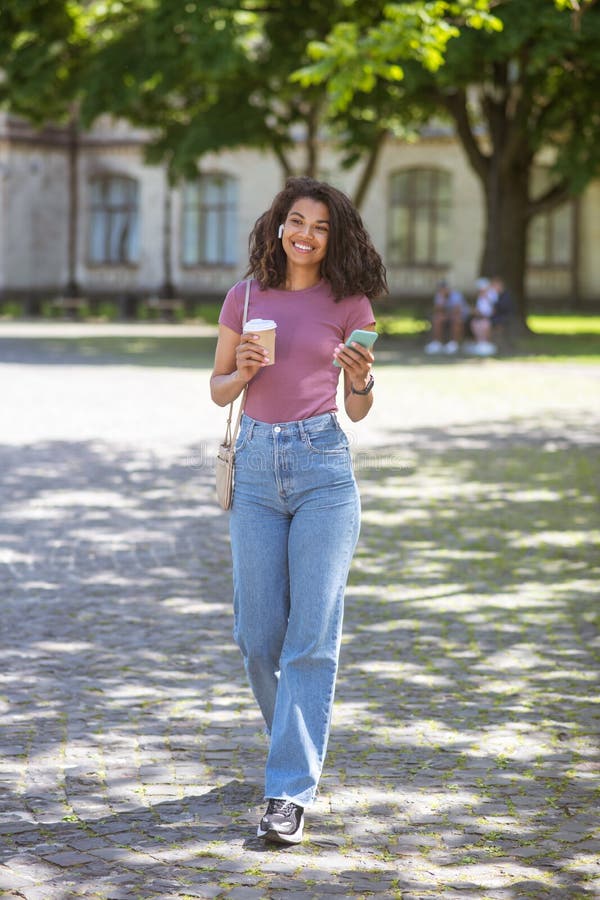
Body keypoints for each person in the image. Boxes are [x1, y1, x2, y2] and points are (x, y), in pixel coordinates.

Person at [210, 176, 387, 845]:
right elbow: (216, 386)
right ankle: (293, 741)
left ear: (333, 237)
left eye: (319, 226)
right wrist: (245, 370)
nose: (304, 234)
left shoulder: (349, 302)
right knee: (258, 636)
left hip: (323, 472)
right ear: (279, 226)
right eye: (295, 221)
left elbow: (359, 402)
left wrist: (363, 378)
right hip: (255, 472)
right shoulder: (245, 296)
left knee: (312, 637)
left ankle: (288, 792)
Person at [424, 279, 470, 355]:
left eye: (443, 288)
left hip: (460, 316)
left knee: (456, 319)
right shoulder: (439, 296)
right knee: (437, 318)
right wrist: (442, 301)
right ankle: (437, 343)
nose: (442, 290)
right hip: (447, 316)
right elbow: (437, 310)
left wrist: (447, 315)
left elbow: (457, 311)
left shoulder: (456, 295)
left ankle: (454, 344)